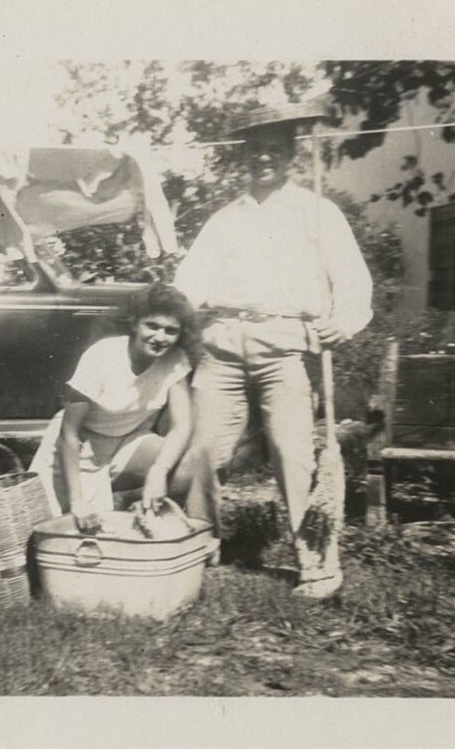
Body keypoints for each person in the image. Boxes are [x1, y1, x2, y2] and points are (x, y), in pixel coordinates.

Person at [174, 101, 374, 599]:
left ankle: (316, 565)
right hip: (220, 344)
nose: (264, 158)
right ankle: (199, 549)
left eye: (274, 151)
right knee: (201, 450)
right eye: (256, 151)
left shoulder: (317, 212)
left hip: (283, 344)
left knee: (292, 453)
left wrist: (342, 322)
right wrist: (174, 320)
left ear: (290, 156)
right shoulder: (225, 218)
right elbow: (189, 285)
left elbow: (352, 279)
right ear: (246, 157)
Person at [30, 283, 211, 534]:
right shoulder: (102, 356)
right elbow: (69, 434)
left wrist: (159, 472)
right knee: (67, 530)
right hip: (79, 449)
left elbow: (182, 426)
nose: (160, 337)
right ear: (136, 323)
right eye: (153, 326)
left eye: (171, 331)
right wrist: (77, 500)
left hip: (127, 443)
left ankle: (146, 512)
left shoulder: (174, 359)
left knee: (193, 462)